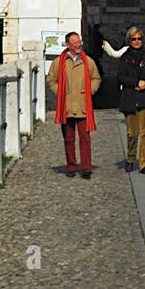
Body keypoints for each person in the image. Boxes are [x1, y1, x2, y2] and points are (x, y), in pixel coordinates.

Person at [48, 32, 101, 179]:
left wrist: (90, 89)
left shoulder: (88, 62)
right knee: (68, 139)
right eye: (75, 42)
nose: (79, 44)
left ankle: (86, 167)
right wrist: (60, 92)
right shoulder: (59, 62)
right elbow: (51, 80)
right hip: (66, 107)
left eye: (80, 41)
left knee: (85, 138)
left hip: (83, 105)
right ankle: (71, 166)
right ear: (68, 45)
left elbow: (96, 78)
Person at [116, 26, 145, 174]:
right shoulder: (125, 57)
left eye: (139, 38)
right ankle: (130, 158)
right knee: (132, 133)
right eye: (133, 39)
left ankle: (144, 163)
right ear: (129, 40)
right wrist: (136, 83)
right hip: (130, 98)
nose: (136, 41)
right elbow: (120, 77)